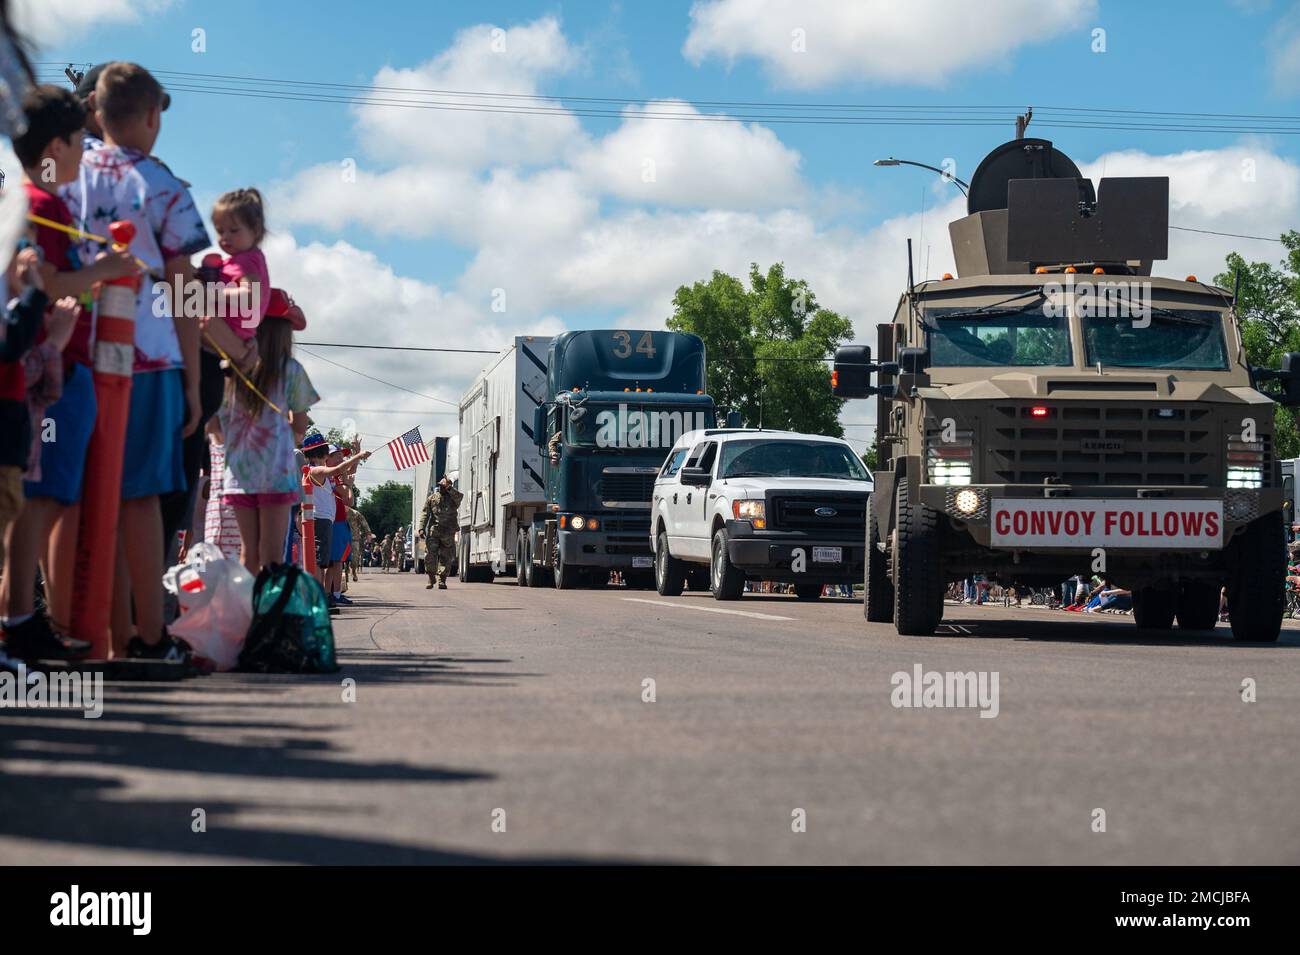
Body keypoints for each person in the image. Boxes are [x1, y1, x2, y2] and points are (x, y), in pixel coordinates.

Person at [61, 62, 211, 661]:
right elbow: (184, 293)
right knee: (140, 499)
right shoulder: (167, 188)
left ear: (94, 109)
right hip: (149, 359)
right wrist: (194, 383)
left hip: (74, 349)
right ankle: (146, 636)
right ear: (152, 117)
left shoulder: (68, 175)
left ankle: (80, 630)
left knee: (74, 494)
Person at [2, 85, 135, 656]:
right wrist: (107, 267)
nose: (85, 152)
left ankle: (30, 621)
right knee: (40, 498)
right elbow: (51, 284)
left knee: (41, 497)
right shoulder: (45, 203)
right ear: (56, 144)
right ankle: (22, 622)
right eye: (80, 141)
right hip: (50, 368)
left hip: (43, 366)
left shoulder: (30, 200)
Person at [216, 288, 317, 574]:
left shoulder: (232, 373)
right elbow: (300, 427)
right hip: (276, 474)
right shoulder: (292, 370)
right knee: (272, 556)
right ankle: (268, 616)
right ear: (285, 332)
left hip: (238, 475)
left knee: (248, 555)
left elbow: (218, 428)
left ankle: (247, 615)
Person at [420, 475, 463, 590]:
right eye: (440, 485)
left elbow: (460, 497)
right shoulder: (432, 498)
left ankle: (442, 580)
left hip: (448, 532)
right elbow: (425, 514)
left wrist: (449, 487)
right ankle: (430, 577)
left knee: (445, 557)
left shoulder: (453, 498)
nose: (441, 487)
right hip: (434, 531)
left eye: (443, 486)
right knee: (430, 555)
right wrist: (421, 528)